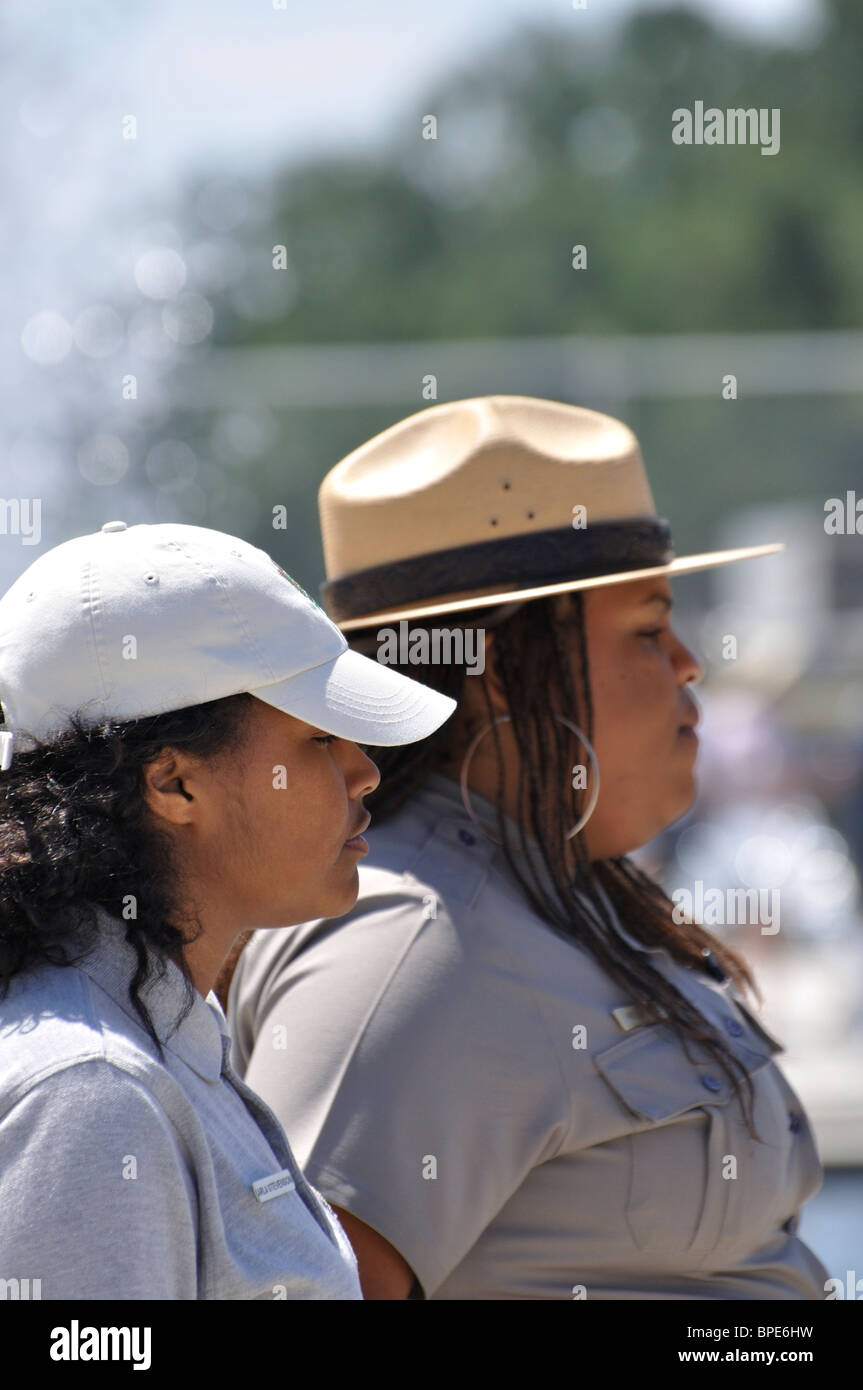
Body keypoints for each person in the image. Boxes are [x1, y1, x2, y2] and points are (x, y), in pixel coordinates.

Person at [227, 395, 831, 1301]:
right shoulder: (412, 943)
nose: (689, 661)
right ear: (502, 669)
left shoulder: (544, 889)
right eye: (646, 627)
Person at [0, 519, 455, 1300]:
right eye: (319, 739)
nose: (364, 771)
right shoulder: (94, 1093)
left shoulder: (151, 1044)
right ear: (174, 784)